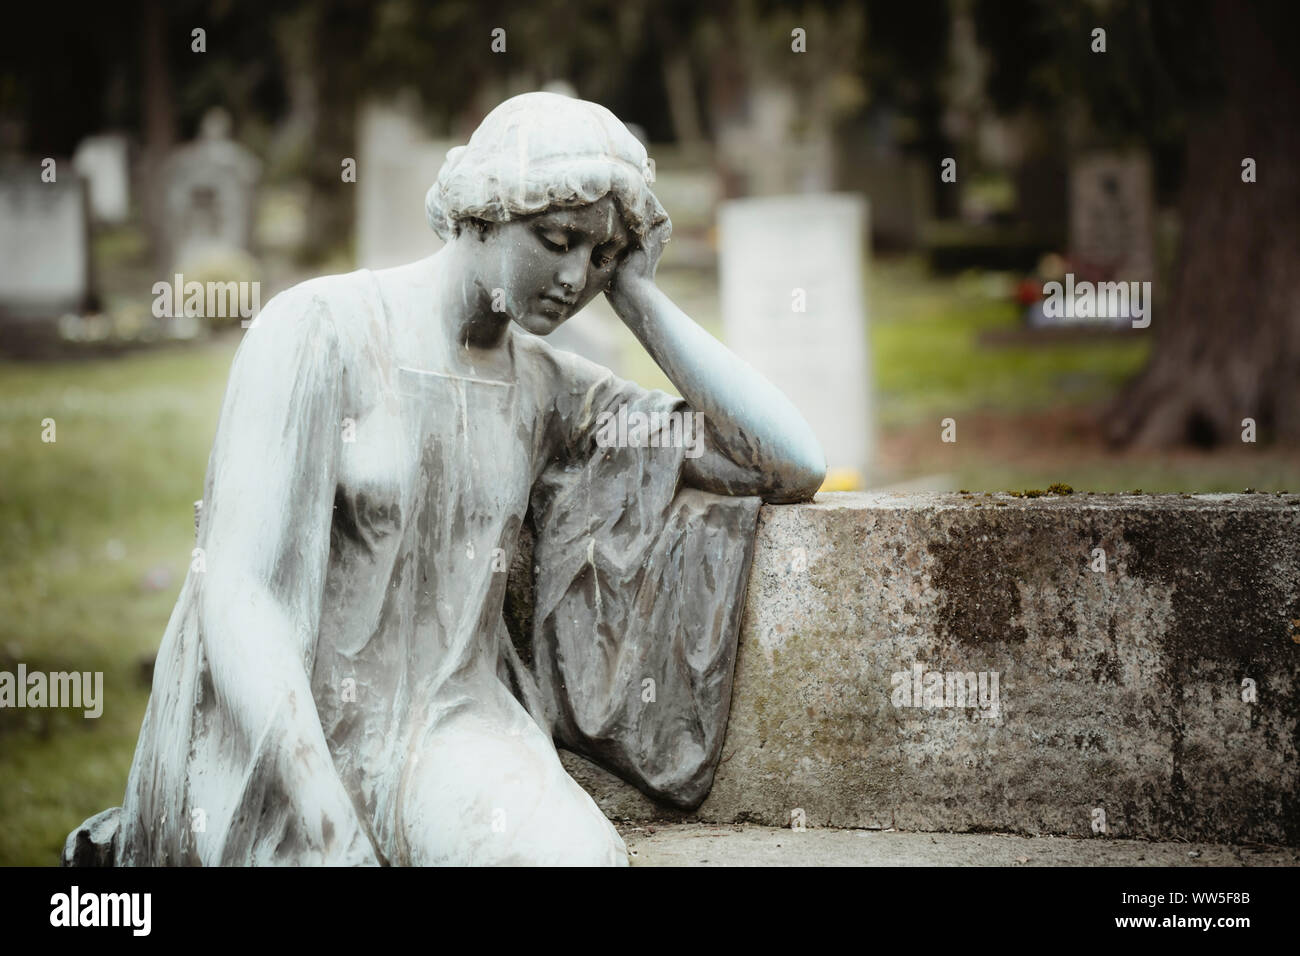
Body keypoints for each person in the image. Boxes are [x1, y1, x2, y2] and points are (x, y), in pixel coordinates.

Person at [66, 91, 824, 867]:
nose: (573, 278)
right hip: (282, 732)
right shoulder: (317, 330)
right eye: (556, 238)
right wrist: (330, 826)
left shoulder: (547, 388)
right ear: (483, 211)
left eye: (598, 258)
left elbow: (787, 463)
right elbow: (238, 589)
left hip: (452, 729)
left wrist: (639, 295)